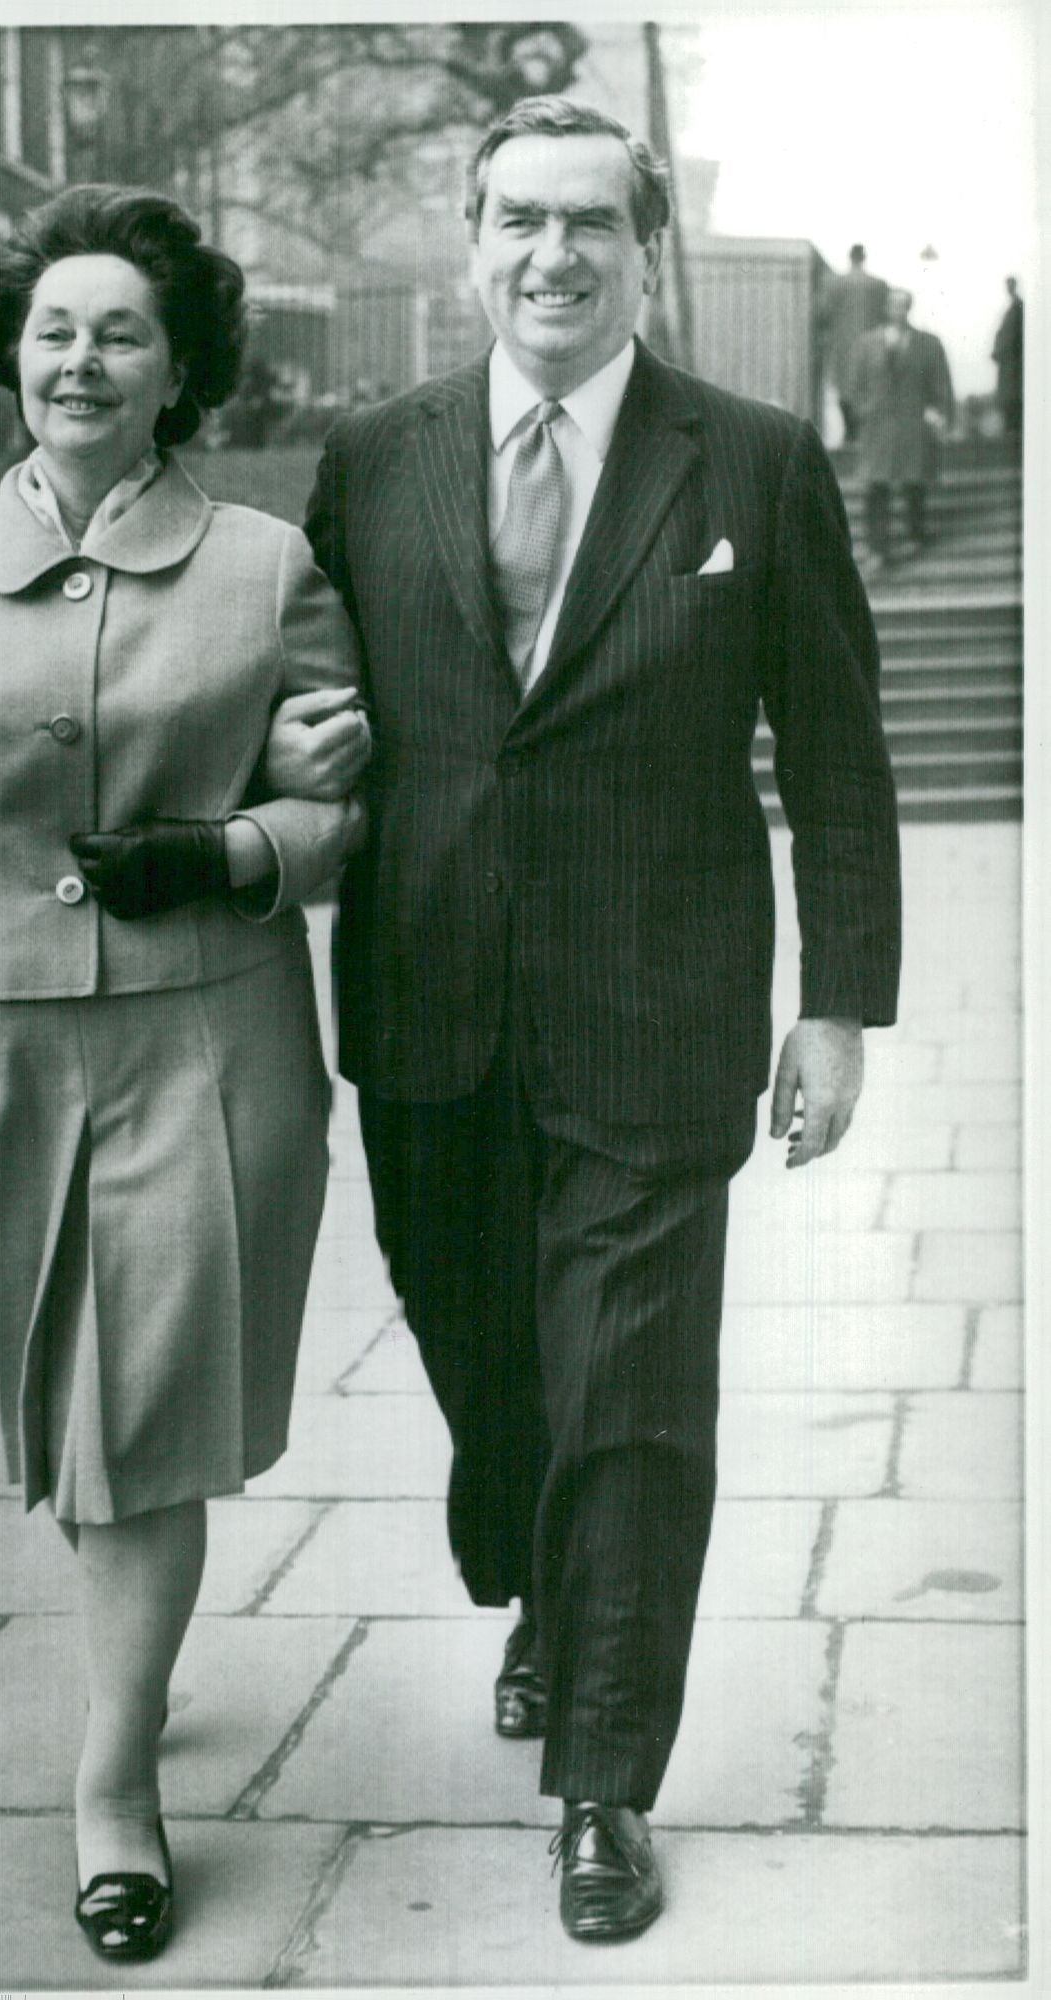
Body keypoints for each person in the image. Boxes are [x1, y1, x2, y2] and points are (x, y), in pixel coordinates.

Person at [298, 97, 901, 1943]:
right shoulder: (370, 456)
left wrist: (839, 1012)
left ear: (646, 253)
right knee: (497, 1368)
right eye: (517, 223)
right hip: (428, 1002)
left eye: (589, 225)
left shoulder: (757, 463)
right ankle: (544, 1590)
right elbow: (325, 684)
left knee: (630, 1393)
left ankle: (603, 1788)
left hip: (658, 1009)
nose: (551, 256)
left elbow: (839, 749)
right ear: (471, 246)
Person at [0, 184, 369, 1965]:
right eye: (50, 328)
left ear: (177, 366)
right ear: (6, 359)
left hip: (210, 1048)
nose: (80, 358)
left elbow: (343, 802)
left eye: (120, 329)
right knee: (66, 1423)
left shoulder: (264, 566)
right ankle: (141, 1655)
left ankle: (113, 1789)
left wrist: (230, 849)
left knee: (140, 1432)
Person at [848, 286, 955, 574]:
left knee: (914, 482)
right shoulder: (866, 344)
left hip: (912, 425)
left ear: (910, 308)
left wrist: (938, 416)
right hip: (877, 427)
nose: (899, 310)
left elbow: (941, 384)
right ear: (886, 308)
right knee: (876, 487)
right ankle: (877, 549)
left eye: (904, 305)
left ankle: (915, 535)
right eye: (894, 305)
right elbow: (854, 385)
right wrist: (865, 411)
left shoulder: (929, 344)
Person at [819, 243, 888, 442]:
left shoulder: (834, 283)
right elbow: (886, 316)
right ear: (864, 258)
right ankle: (864, 434)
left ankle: (851, 433)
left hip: (843, 347)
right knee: (869, 387)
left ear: (850, 258)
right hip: (874, 348)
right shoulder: (878, 285)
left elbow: (824, 313)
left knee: (845, 388)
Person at [992, 276, 1023, 443]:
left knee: (1013, 397)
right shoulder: (1012, 308)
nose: (1008, 288)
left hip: (1014, 365)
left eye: (1010, 285)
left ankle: (1013, 433)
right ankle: (1010, 432)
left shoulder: (1018, 307)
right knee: (1007, 398)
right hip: (1007, 364)